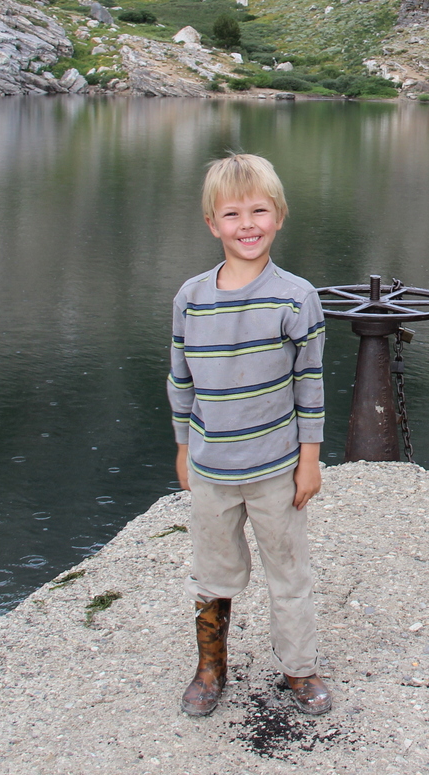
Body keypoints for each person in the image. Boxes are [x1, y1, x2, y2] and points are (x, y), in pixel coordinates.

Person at [167, 153, 332, 717]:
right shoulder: (190, 298)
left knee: (290, 573)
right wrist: (184, 450)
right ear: (212, 223)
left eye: (259, 210)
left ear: (279, 216)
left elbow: (309, 386)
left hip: (276, 469)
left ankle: (300, 668)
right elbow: (181, 381)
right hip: (213, 469)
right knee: (213, 575)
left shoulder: (296, 297)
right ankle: (210, 667)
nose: (247, 224)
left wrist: (308, 461)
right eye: (232, 214)